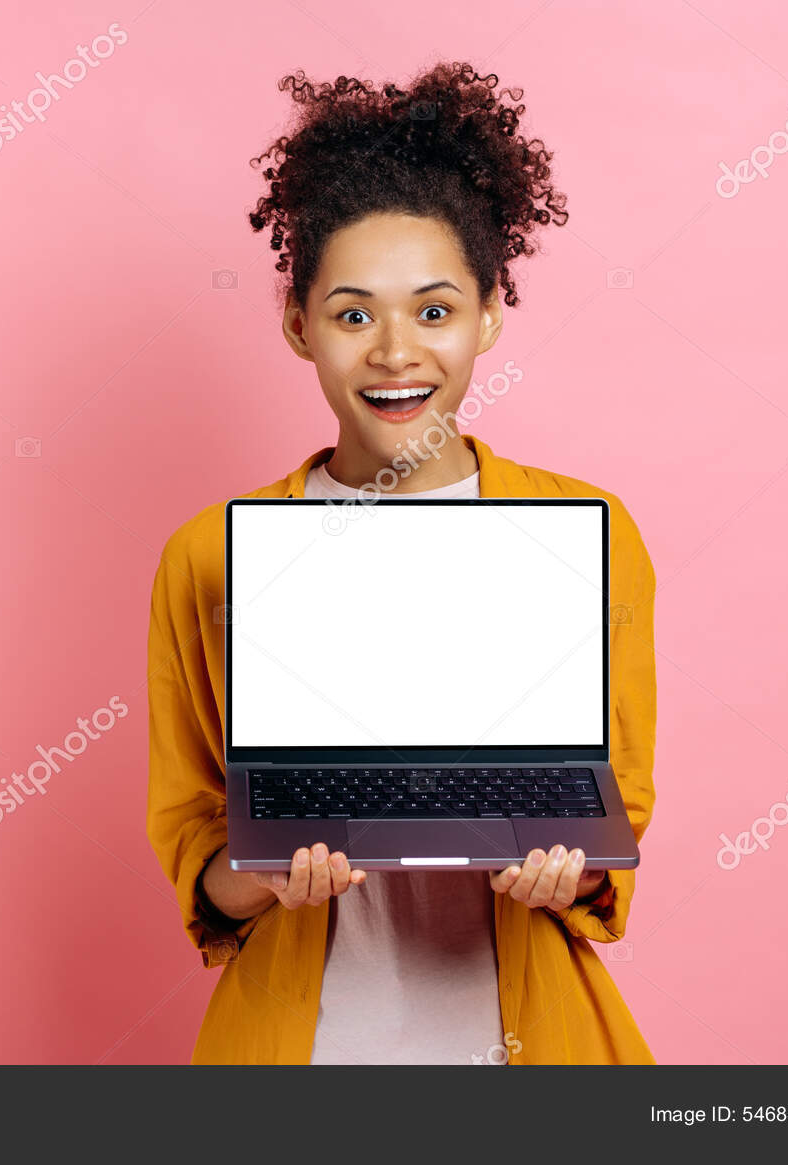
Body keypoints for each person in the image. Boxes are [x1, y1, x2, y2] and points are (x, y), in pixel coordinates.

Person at [145, 61, 657, 1064]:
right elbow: (193, 834)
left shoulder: (587, 530)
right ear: (298, 325)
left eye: (433, 311)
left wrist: (574, 868)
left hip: (526, 1040)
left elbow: (616, 806)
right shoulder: (208, 554)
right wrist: (259, 873)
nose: (393, 352)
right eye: (352, 314)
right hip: (300, 1047)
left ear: (488, 315)